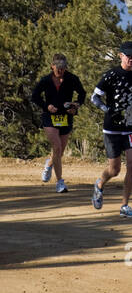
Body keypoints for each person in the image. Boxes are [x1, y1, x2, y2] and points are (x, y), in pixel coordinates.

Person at [91, 41, 132, 218]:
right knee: (114, 170)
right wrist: (107, 110)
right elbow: (95, 97)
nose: (131, 58)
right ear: (120, 56)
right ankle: (100, 184)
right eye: (128, 55)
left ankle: (125, 205)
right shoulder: (111, 75)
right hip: (112, 129)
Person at [31, 54, 86, 194]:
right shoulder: (45, 80)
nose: (61, 71)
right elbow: (35, 96)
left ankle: (49, 164)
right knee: (56, 146)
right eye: (58, 68)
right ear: (52, 66)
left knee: (59, 152)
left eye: (63, 68)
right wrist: (46, 106)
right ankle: (60, 182)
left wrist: (76, 106)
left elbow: (82, 94)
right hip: (50, 116)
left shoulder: (72, 79)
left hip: (66, 116)